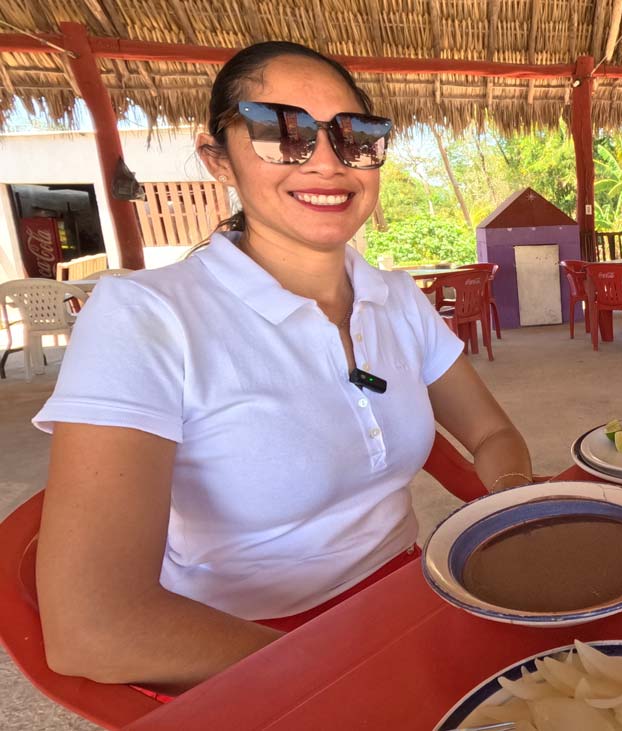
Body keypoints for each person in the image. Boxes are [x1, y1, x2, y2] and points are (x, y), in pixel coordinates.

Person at [32, 41, 532, 693]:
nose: (327, 161)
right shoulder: (148, 318)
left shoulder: (396, 299)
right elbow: (92, 626)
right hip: (246, 655)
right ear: (219, 159)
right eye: (280, 132)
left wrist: (517, 505)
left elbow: (493, 435)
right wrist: (344, 671)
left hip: (413, 600)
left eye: (355, 136)